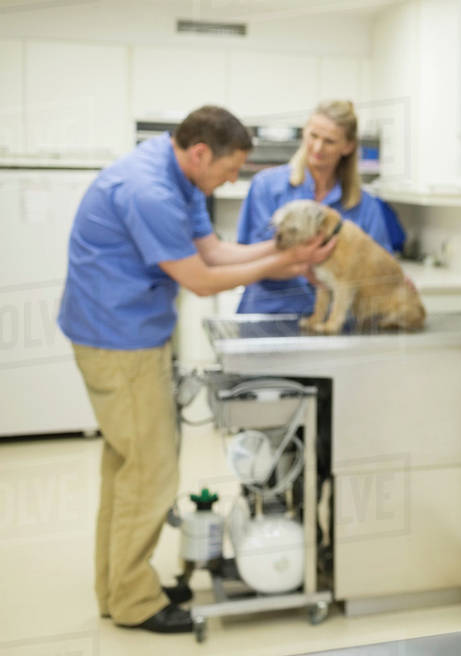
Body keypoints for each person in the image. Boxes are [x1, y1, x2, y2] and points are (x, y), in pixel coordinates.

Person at [58, 105, 335, 634]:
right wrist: (281, 264)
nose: (232, 180)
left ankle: (118, 588)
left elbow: (213, 251)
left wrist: (285, 250)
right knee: (151, 472)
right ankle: (135, 603)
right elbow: (201, 279)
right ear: (202, 153)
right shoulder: (150, 191)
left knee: (125, 468)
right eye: (229, 170)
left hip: (127, 333)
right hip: (119, 343)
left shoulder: (178, 175)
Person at [235, 99, 401, 315]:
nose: (318, 147)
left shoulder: (366, 206)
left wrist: (397, 284)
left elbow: (378, 268)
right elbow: (248, 256)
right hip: (269, 313)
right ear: (305, 132)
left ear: (348, 146)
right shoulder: (266, 186)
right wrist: (305, 264)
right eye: (313, 136)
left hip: (335, 323)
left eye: (329, 141)